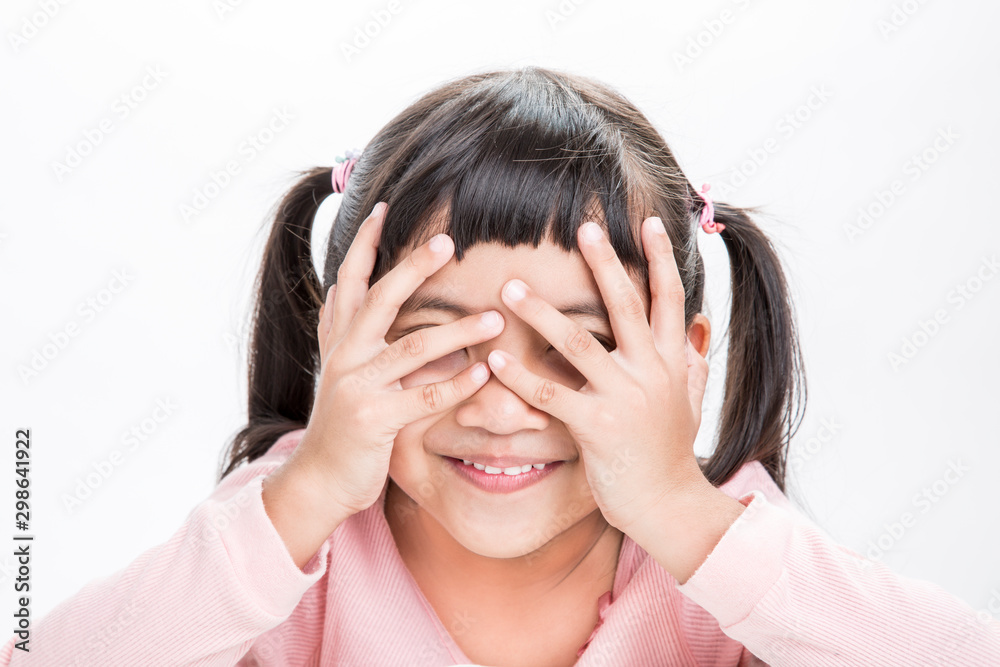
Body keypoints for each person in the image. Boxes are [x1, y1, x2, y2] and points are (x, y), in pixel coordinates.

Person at [4, 66, 998, 667]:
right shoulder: (289, 538)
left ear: (687, 365)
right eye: (439, 338)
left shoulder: (719, 551)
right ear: (338, 341)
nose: (502, 398)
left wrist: (682, 516)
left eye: (580, 344)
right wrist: (303, 497)